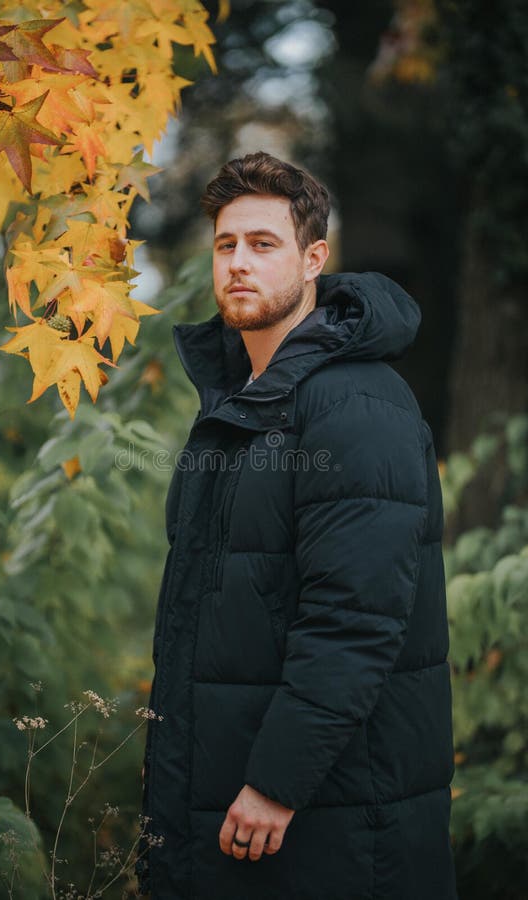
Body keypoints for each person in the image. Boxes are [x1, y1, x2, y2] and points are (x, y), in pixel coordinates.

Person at [136, 151, 458, 900]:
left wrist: (276, 781)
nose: (238, 263)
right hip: (233, 807)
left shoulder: (356, 406)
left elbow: (354, 620)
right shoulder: (240, 404)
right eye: (225, 245)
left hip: (333, 823)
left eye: (263, 244)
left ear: (314, 260)